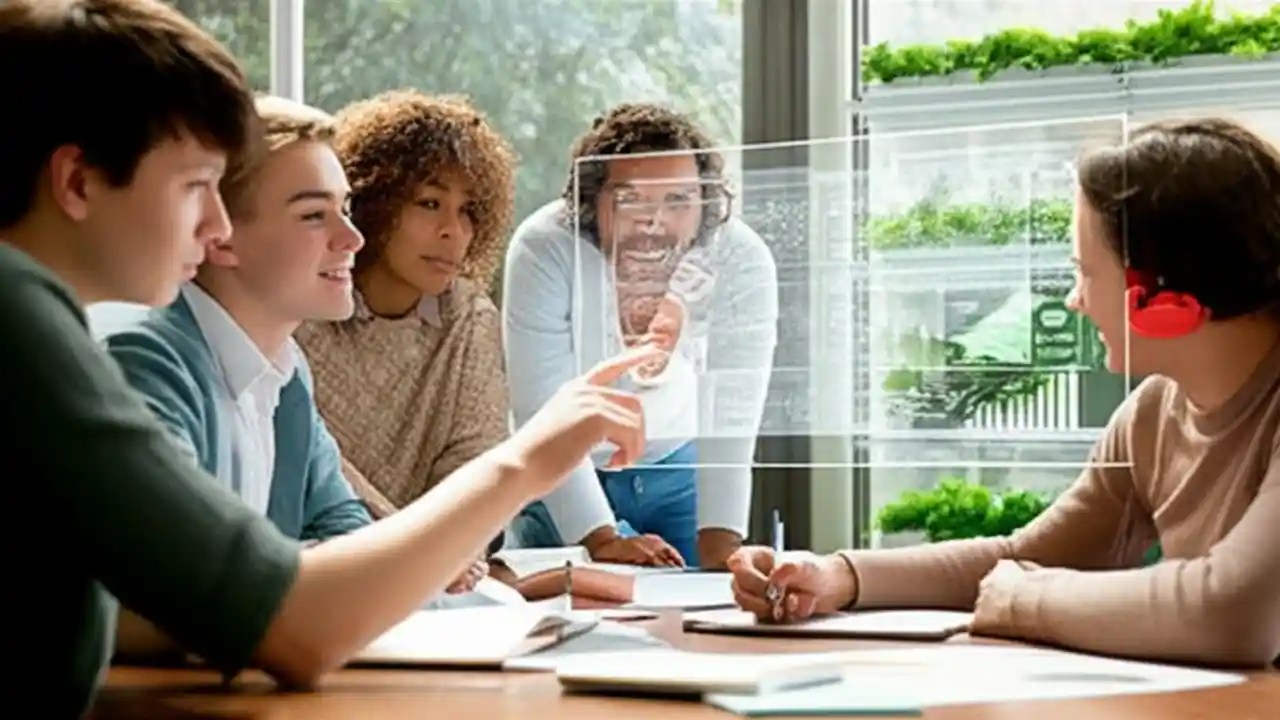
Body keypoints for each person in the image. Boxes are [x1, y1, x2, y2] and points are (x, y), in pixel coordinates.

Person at [0, 1, 655, 715]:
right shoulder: (26, 319)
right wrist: (530, 458)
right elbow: (290, 623)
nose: (215, 224)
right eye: (194, 187)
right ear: (77, 181)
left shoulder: (47, 317)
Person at [727, 117, 1280, 668]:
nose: (1074, 300)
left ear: (1162, 304)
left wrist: (1024, 598)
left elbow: (1233, 614)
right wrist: (838, 577)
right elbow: (1024, 557)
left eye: (1085, 274)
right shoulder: (1153, 414)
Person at [503, 103, 779, 569]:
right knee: (562, 616)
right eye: (631, 200)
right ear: (593, 202)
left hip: (679, 464)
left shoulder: (739, 255)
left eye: (678, 201)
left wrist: (722, 550)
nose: (654, 223)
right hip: (563, 466)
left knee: (699, 610)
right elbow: (539, 404)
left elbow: (733, 410)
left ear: (706, 204)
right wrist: (601, 538)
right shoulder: (544, 247)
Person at [294, 91, 514, 532]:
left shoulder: (469, 316)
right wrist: (411, 544)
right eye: (429, 203)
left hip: (439, 564)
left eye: (468, 211)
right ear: (375, 201)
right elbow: (313, 456)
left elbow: (476, 462)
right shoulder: (305, 304)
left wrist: (448, 553)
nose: (453, 231)